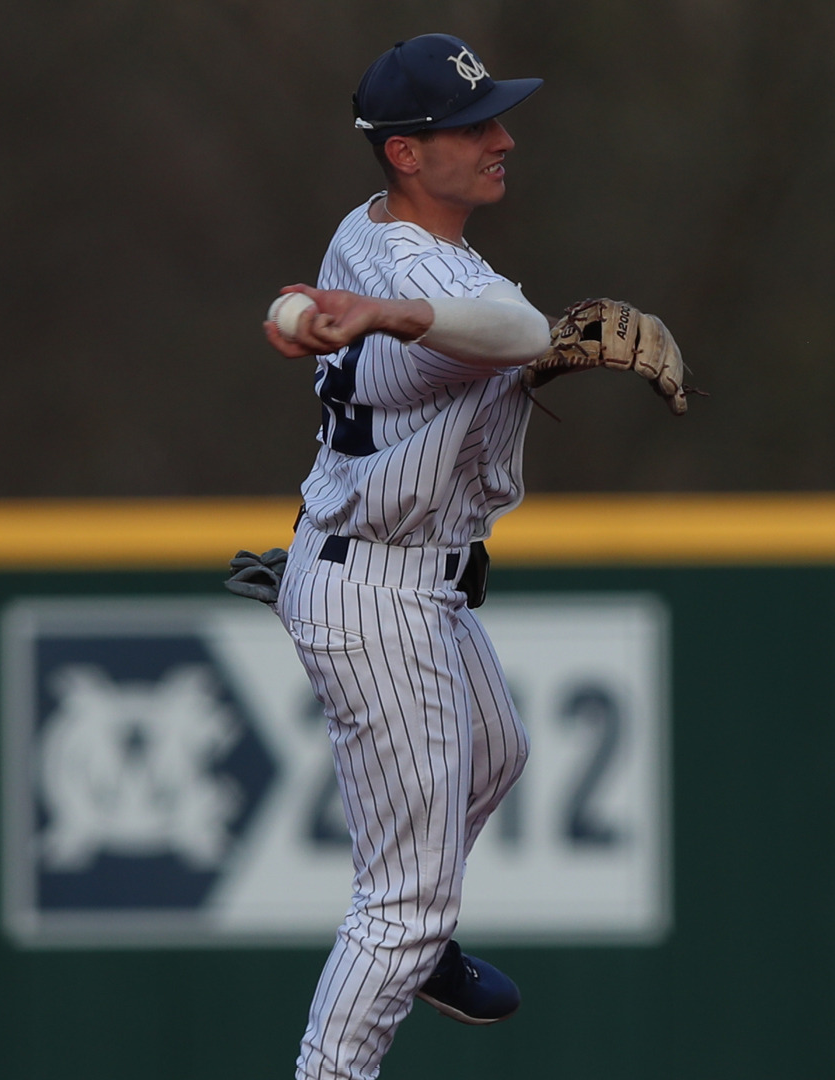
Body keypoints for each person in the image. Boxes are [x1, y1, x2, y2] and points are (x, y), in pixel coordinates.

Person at [258, 32, 551, 1080]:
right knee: (401, 899)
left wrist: (364, 309)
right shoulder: (416, 270)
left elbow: (489, 323)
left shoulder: (371, 231)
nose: (503, 138)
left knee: (500, 751)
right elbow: (519, 333)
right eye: (475, 128)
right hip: (378, 580)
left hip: (387, 566)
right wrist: (393, 315)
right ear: (406, 154)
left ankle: (418, 950)